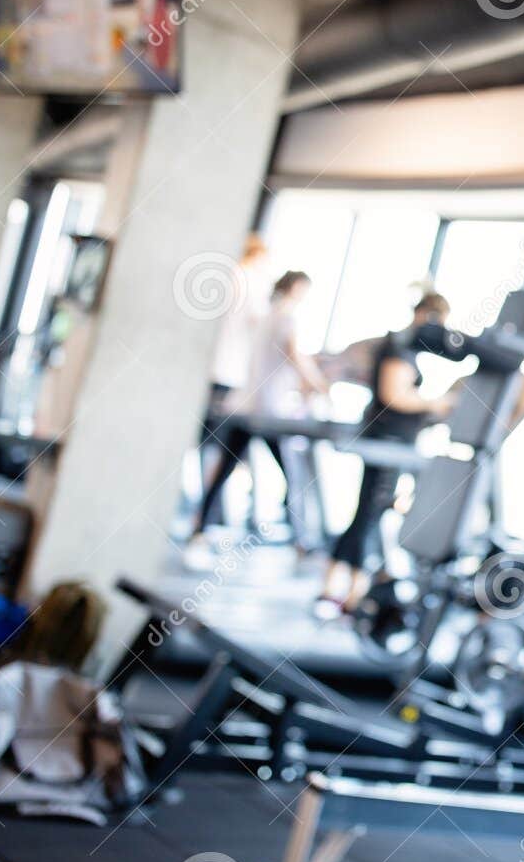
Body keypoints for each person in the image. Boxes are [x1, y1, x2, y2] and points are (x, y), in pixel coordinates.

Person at [317, 291, 455, 612]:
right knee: (369, 513)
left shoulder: (402, 346)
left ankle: (345, 587)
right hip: (389, 440)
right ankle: (349, 592)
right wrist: (437, 402)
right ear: (426, 316)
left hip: (392, 439)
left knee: (369, 513)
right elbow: (394, 395)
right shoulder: (400, 347)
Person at [192, 270, 329, 545]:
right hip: (268, 409)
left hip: (247, 405)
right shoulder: (285, 318)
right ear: (297, 289)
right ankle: (300, 538)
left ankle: (200, 527)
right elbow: (294, 356)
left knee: (226, 468)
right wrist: (317, 383)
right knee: (292, 473)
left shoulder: (268, 316)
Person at [197, 234, 269, 528]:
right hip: (229, 373)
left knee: (210, 447)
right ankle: (205, 517)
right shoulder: (248, 279)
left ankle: (208, 516)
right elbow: (258, 324)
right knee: (219, 447)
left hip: (213, 370)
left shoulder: (227, 276)